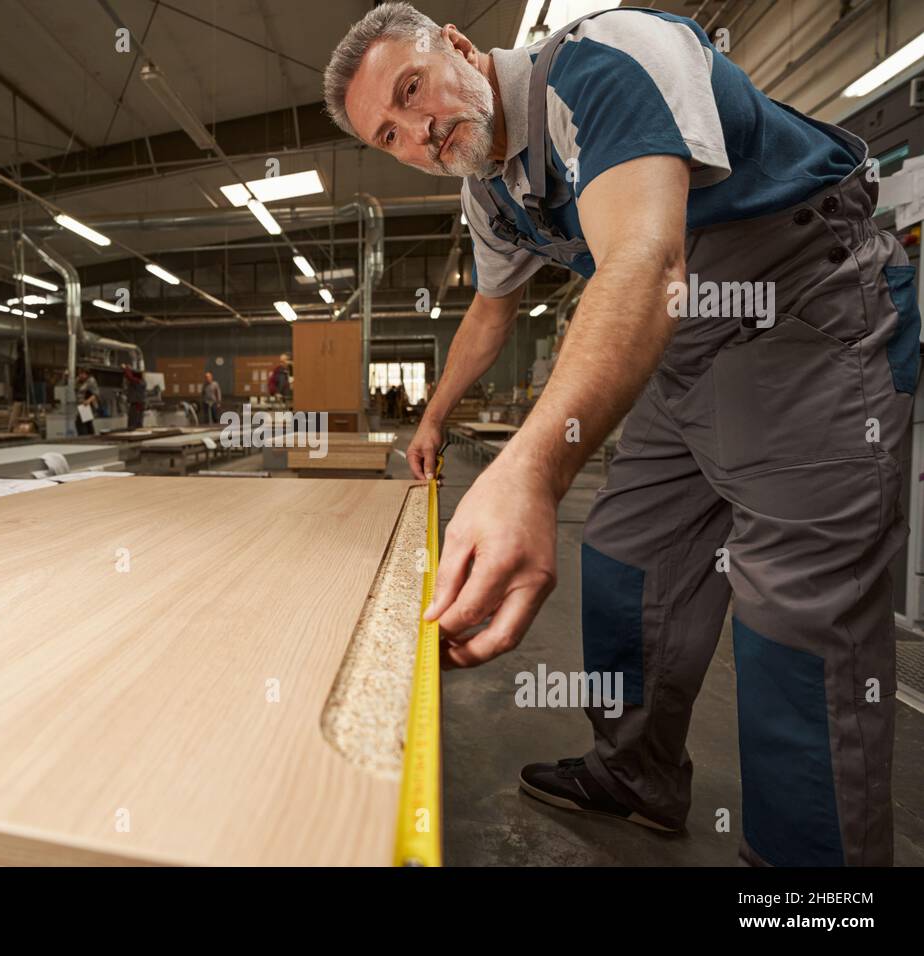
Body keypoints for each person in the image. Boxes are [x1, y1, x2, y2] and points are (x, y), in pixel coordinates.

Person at [324, 3, 916, 866]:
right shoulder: (490, 189)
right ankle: (635, 775)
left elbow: (647, 257)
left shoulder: (603, 63)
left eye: (412, 91)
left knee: (795, 610)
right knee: (624, 556)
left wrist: (530, 469)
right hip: (686, 346)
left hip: (806, 311)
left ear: (457, 45)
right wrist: (434, 416)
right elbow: (493, 312)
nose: (420, 131)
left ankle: (814, 888)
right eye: (389, 136)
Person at [73, 366, 99, 436]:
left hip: (88, 404)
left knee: (80, 423)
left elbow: (96, 394)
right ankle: (91, 438)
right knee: (87, 422)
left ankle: (84, 438)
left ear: (87, 374)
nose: (81, 375)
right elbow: (76, 390)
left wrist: (88, 401)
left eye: (83, 373)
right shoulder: (78, 380)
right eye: (79, 373)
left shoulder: (91, 381)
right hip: (80, 404)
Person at [123, 364, 146, 429]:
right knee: (138, 420)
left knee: (133, 421)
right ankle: (138, 430)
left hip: (136, 404)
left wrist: (126, 368)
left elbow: (129, 377)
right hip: (140, 403)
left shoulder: (137, 381)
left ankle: (133, 431)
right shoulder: (142, 381)